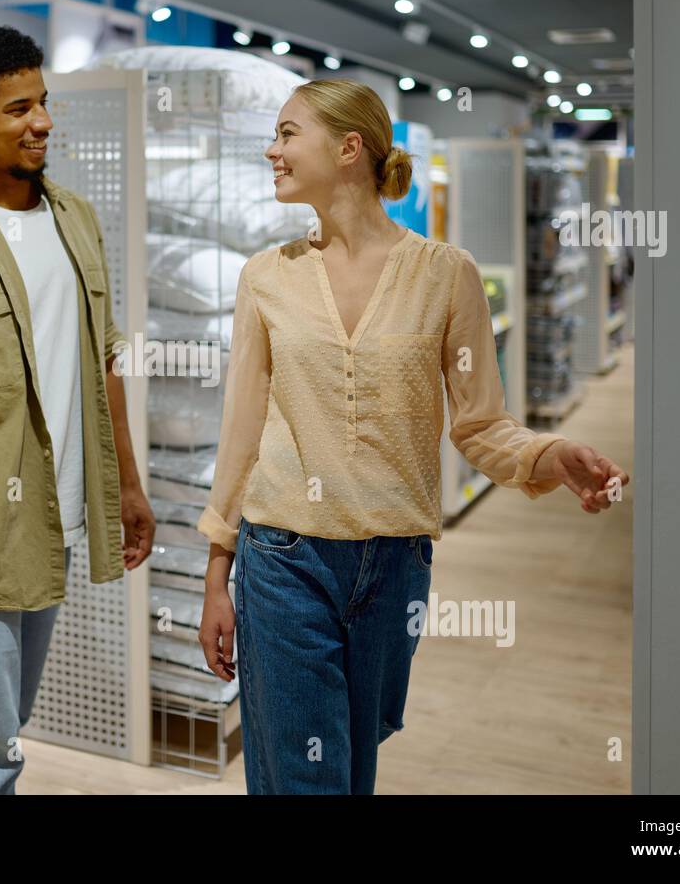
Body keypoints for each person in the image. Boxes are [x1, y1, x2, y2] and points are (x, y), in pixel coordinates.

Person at [195, 78, 628, 795]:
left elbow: (481, 423)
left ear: (348, 148)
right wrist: (217, 573)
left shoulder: (443, 275)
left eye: (286, 133)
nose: (271, 150)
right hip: (282, 557)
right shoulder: (265, 278)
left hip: (396, 565)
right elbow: (240, 431)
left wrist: (550, 455)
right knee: (308, 777)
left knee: (355, 765)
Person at [0, 24, 155, 795]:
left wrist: (131, 485)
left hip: (57, 518)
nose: (42, 121)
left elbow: (103, 360)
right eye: (18, 108)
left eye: (42, 102)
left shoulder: (74, 216)